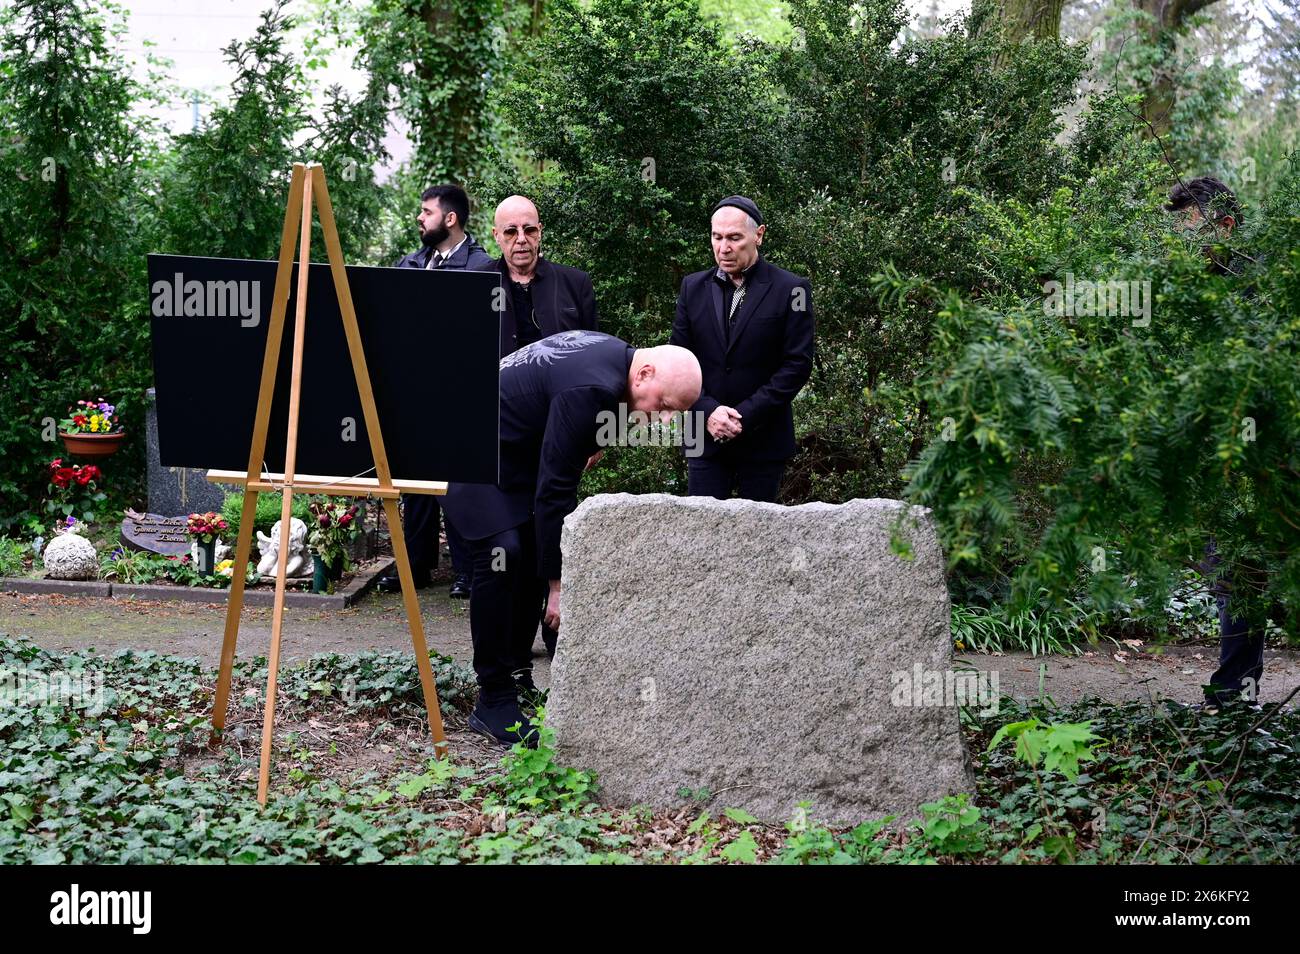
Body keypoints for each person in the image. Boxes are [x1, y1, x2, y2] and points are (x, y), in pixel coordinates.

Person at [441, 331, 702, 745]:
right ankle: (493, 699)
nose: (665, 420)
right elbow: (554, 492)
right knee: (503, 554)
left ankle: (514, 676)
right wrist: (557, 585)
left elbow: (561, 418)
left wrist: (590, 435)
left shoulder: (615, 361)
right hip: (468, 448)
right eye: (666, 406)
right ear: (645, 373)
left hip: (509, 454)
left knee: (527, 550)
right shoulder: (594, 387)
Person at [1167, 177, 1266, 710]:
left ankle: (1231, 701)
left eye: (1189, 231)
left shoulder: (1255, 287)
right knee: (1232, 575)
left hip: (1254, 464)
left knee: (1238, 573)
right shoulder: (1209, 286)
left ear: (1224, 225)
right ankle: (1233, 697)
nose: (1180, 244)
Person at [490, 194, 601, 656]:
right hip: (500, 437)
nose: (522, 240)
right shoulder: (471, 283)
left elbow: (597, 361)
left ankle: (557, 635)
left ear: (541, 232)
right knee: (510, 536)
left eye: (530, 230)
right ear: (496, 236)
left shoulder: (574, 285)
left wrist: (596, 434)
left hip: (562, 432)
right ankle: (513, 641)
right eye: (511, 231)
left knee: (555, 526)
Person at [379, 185, 494, 599]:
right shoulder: (410, 264)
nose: (419, 218)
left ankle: (466, 570)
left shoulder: (480, 267)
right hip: (413, 390)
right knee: (414, 484)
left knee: (456, 482)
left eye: (426, 212)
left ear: (450, 218)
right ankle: (414, 568)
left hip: (459, 392)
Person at [670, 195, 814, 503]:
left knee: (760, 542)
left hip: (764, 438)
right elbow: (677, 362)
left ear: (759, 234)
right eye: (717, 237)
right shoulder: (691, 288)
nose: (724, 248)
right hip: (702, 436)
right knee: (703, 536)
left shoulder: (794, 289)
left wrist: (743, 417)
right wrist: (708, 412)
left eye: (735, 238)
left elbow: (797, 365)